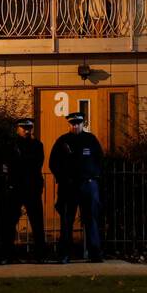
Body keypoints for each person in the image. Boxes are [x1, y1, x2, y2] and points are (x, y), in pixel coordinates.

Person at [48, 111, 105, 263]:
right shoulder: (62, 141)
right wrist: (63, 179)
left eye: (78, 123)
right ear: (69, 124)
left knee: (91, 219)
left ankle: (95, 253)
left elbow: (100, 159)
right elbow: (53, 163)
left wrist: (95, 176)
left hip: (88, 184)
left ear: (82, 123)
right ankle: (64, 254)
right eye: (73, 123)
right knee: (67, 221)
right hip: (69, 187)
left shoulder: (91, 139)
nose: (76, 126)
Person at [5, 117, 47, 262]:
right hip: (17, 186)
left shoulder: (37, 145)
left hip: (31, 187)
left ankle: (40, 255)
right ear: (18, 128)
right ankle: (8, 254)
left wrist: (19, 164)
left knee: (37, 222)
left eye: (29, 128)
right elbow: (10, 164)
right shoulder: (12, 145)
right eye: (24, 128)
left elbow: (35, 164)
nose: (27, 130)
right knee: (10, 221)